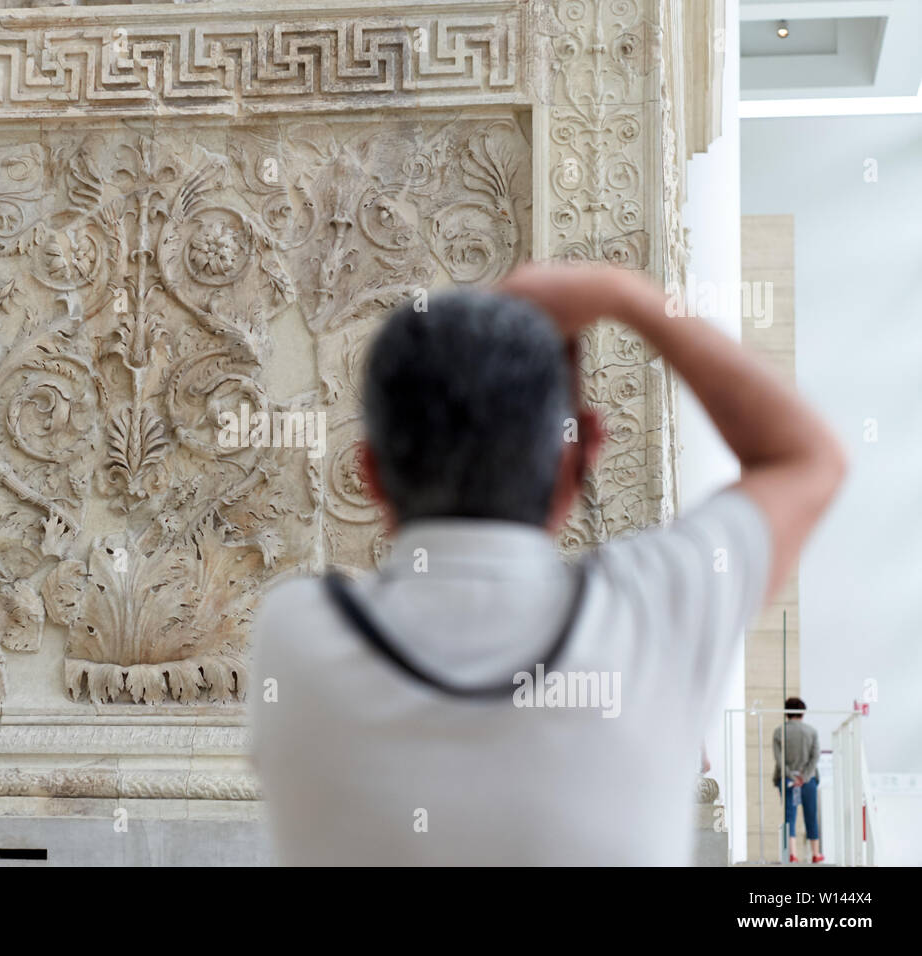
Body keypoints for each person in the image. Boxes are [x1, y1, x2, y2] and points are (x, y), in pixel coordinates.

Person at [249, 263, 846, 866]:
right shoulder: (652, 613)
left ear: (368, 473)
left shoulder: (296, 634)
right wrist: (627, 295)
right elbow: (808, 460)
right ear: (583, 453)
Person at [773, 696, 823, 863]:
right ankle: (816, 854)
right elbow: (815, 757)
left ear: (787, 712)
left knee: (790, 816)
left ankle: (792, 854)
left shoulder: (779, 732)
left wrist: (791, 776)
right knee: (811, 815)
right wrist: (805, 776)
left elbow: (779, 759)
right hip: (808, 780)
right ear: (802, 712)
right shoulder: (812, 731)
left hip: (787, 780)